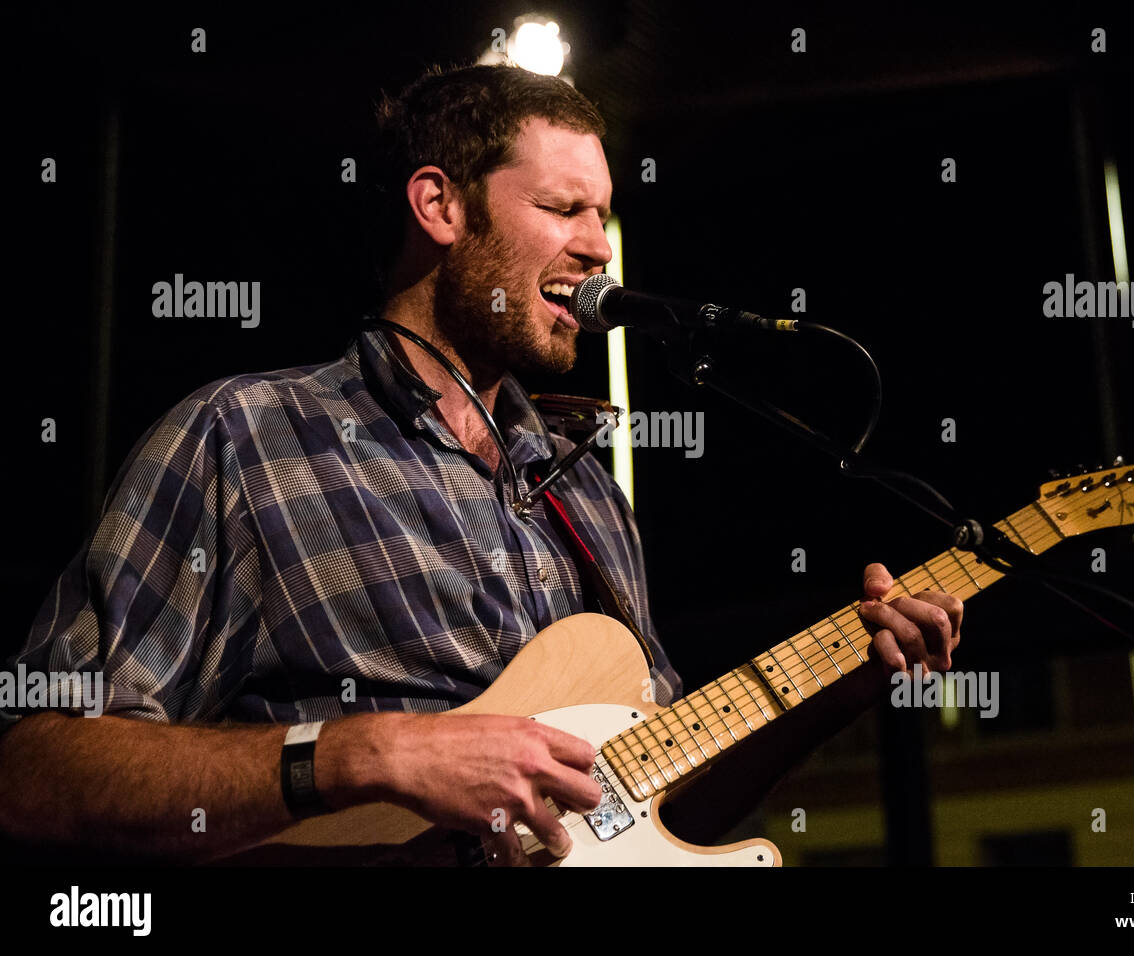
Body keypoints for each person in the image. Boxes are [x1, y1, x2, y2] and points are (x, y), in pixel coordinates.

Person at [0, 64, 961, 865]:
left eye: (604, 215)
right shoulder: (249, 438)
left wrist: (833, 697)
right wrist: (362, 753)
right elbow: (37, 771)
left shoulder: (582, 489)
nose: (598, 247)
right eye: (563, 208)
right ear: (439, 206)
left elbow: (648, 811)